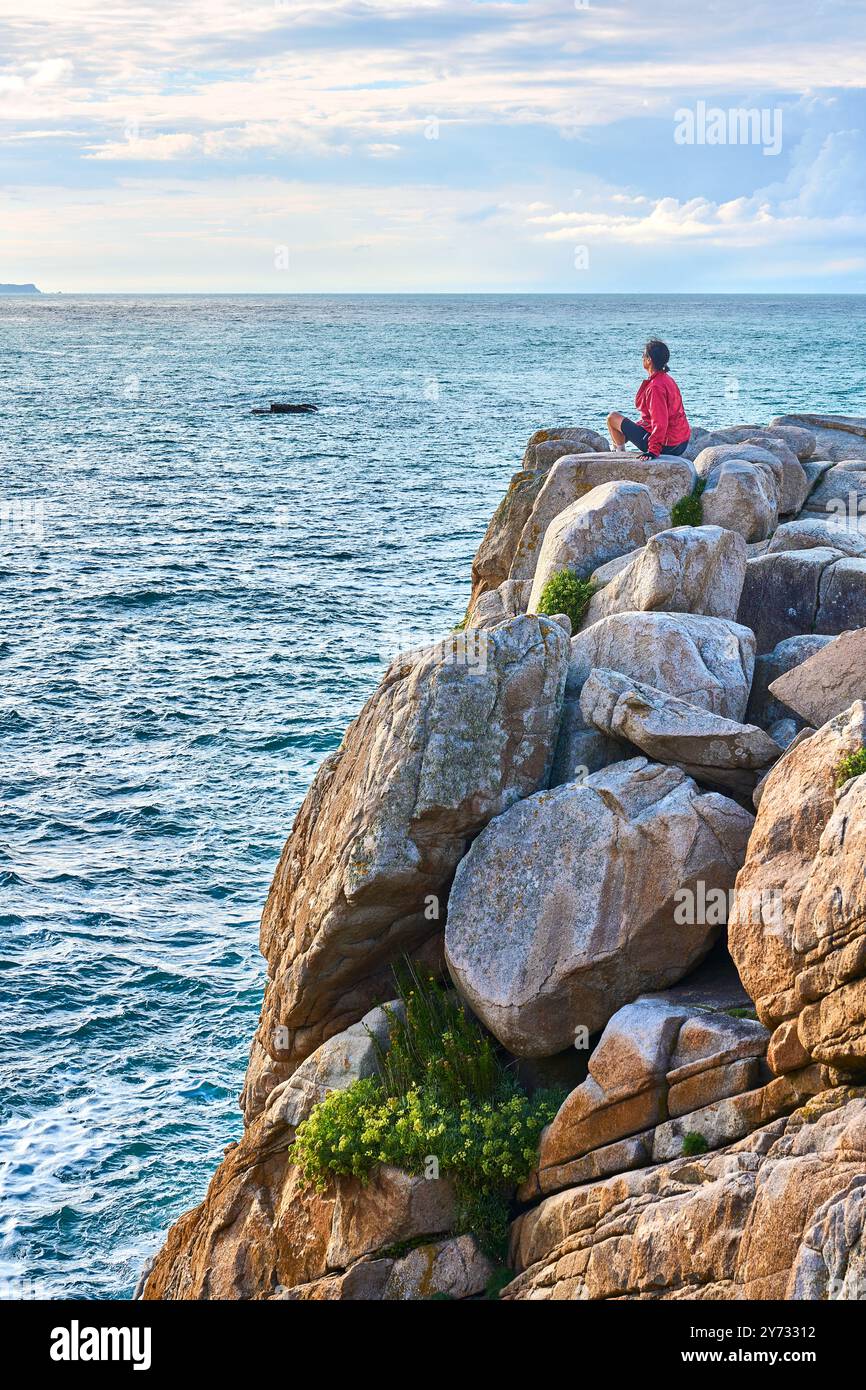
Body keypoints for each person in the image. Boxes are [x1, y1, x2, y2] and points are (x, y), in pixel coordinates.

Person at [607, 339, 691, 459]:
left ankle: (620, 455)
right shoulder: (667, 379)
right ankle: (618, 450)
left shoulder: (655, 387)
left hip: (667, 446)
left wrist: (653, 451)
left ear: (649, 360)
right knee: (623, 426)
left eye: (643, 355)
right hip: (681, 443)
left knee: (612, 418)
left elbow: (660, 422)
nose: (642, 358)